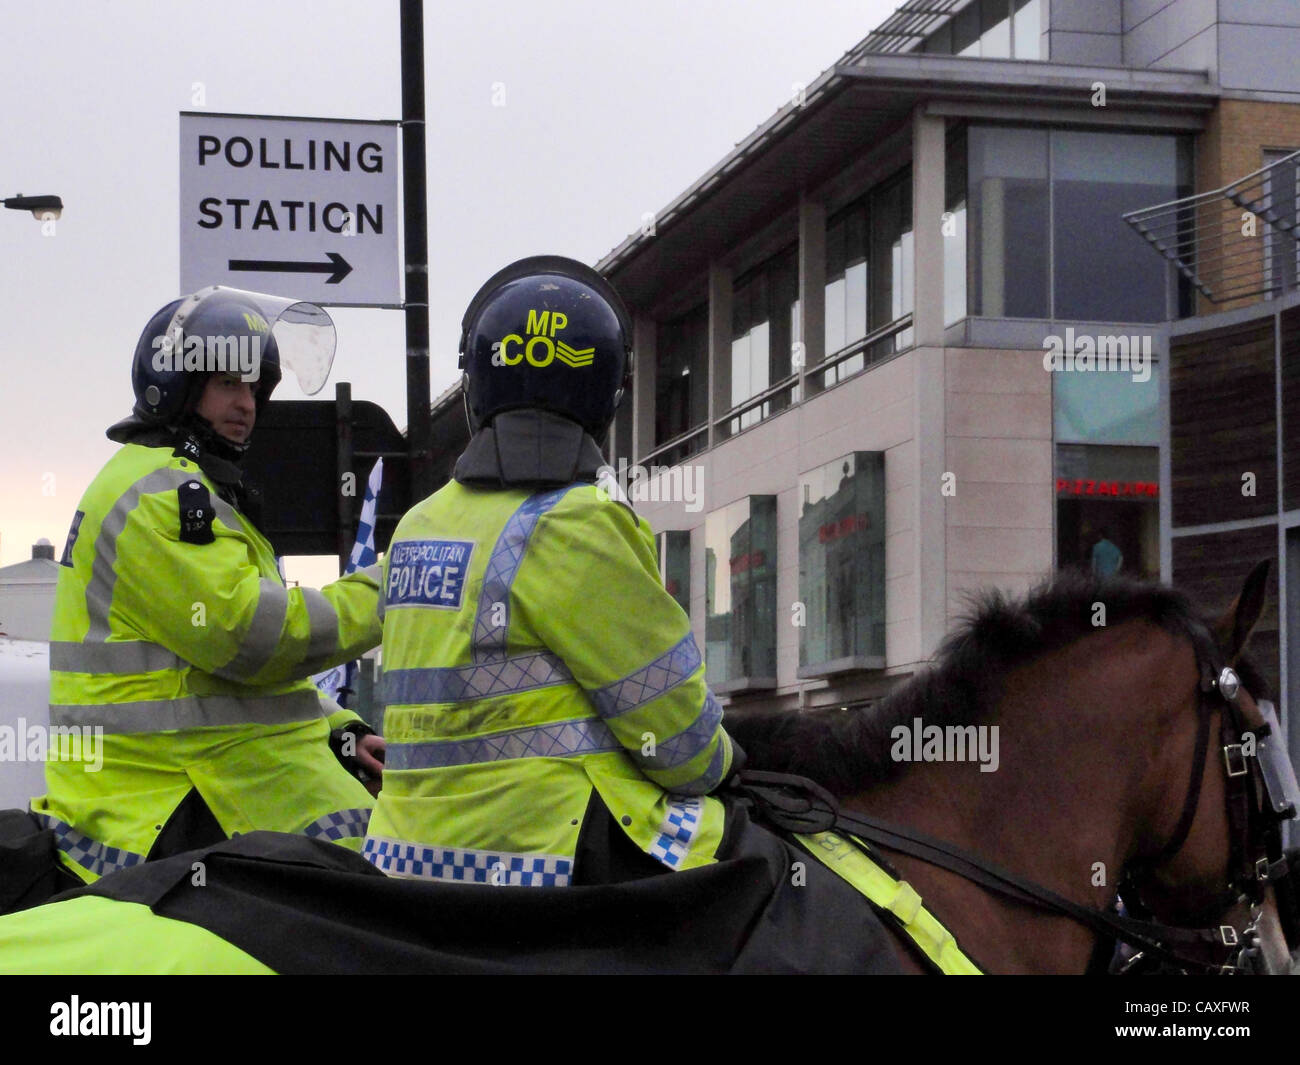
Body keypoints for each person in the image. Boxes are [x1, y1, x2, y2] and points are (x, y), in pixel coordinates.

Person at [363, 256, 739, 886]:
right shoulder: (578, 522)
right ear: (605, 395)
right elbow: (680, 749)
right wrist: (727, 758)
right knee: (774, 877)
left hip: (405, 855)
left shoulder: (419, 524)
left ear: (478, 386)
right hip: (542, 859)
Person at [30, 286, 385, 887]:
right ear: (176, 385)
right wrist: (389, 589)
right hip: (172, 807)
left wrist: (339, 730)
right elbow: (251, 638)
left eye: (253, 387)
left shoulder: (187, 485)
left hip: (195, 784)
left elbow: (204, 680)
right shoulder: (162, 495)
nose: (246, 404)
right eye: (227, 384)